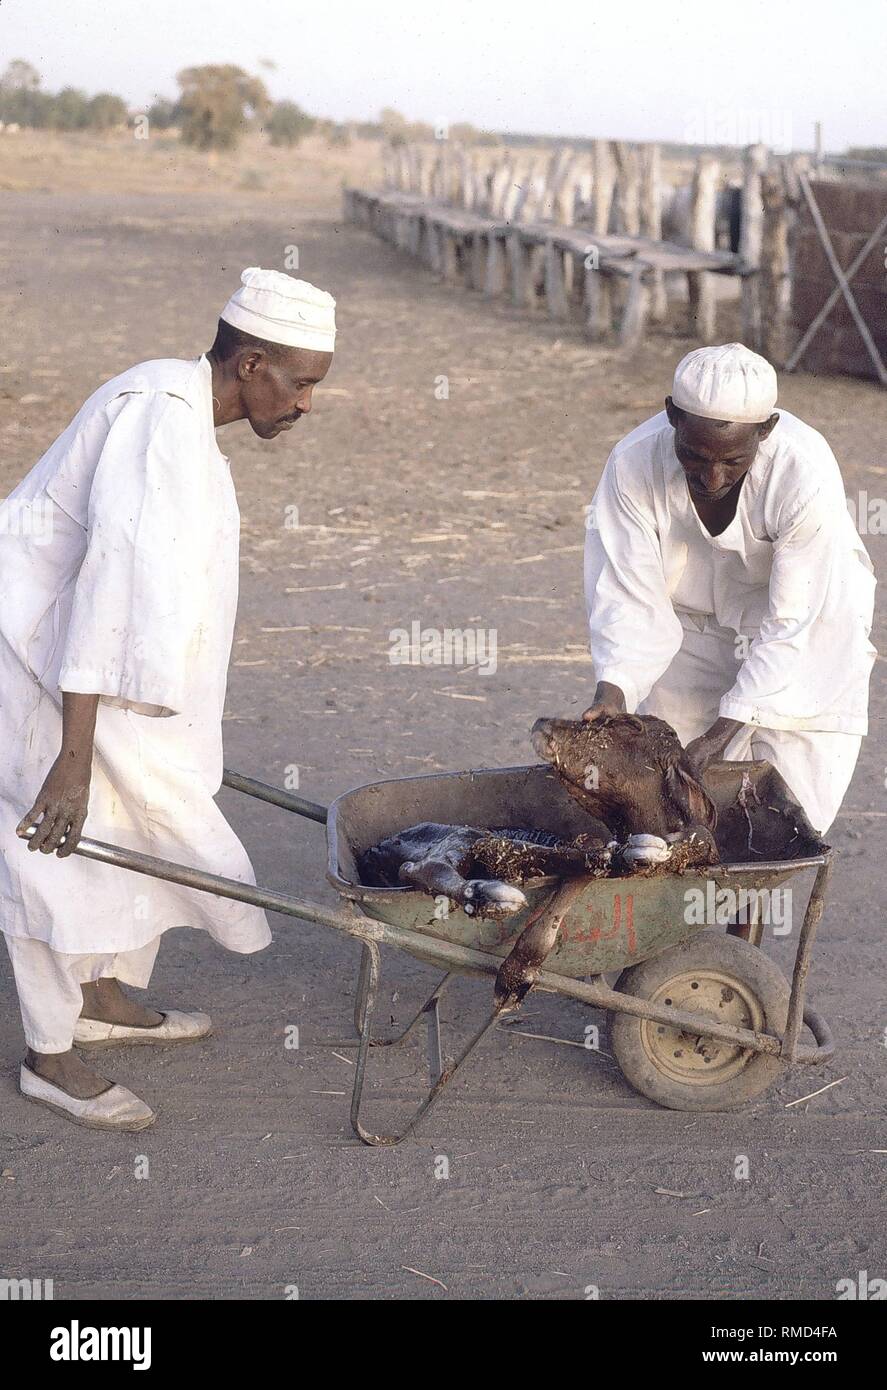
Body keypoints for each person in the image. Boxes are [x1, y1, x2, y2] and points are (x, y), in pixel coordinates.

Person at [0, 268, 336, 1130]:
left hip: (90, 672)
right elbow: (105, 589)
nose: (307, 404)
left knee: (141, 815)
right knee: (52, 841)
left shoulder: (184, 415)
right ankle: (48, 1053)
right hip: (39, 662)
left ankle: (104, 996)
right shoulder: (157, 416)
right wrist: (72, 760)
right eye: (301, 382)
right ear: (251, 361)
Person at [582, 342, 876, 837]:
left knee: (781, 820)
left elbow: (793, 622)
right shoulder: (634, 462)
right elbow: (627, 593)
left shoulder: (803, 470)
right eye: (694, 456)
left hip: (807, 644)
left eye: (734, 460)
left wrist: (722, 733)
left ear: (766, 430)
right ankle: (688, 910)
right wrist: (613, 691)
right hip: (693, 632)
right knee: (668, 815)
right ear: (672, 415)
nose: (711, 477)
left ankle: (753, 911)